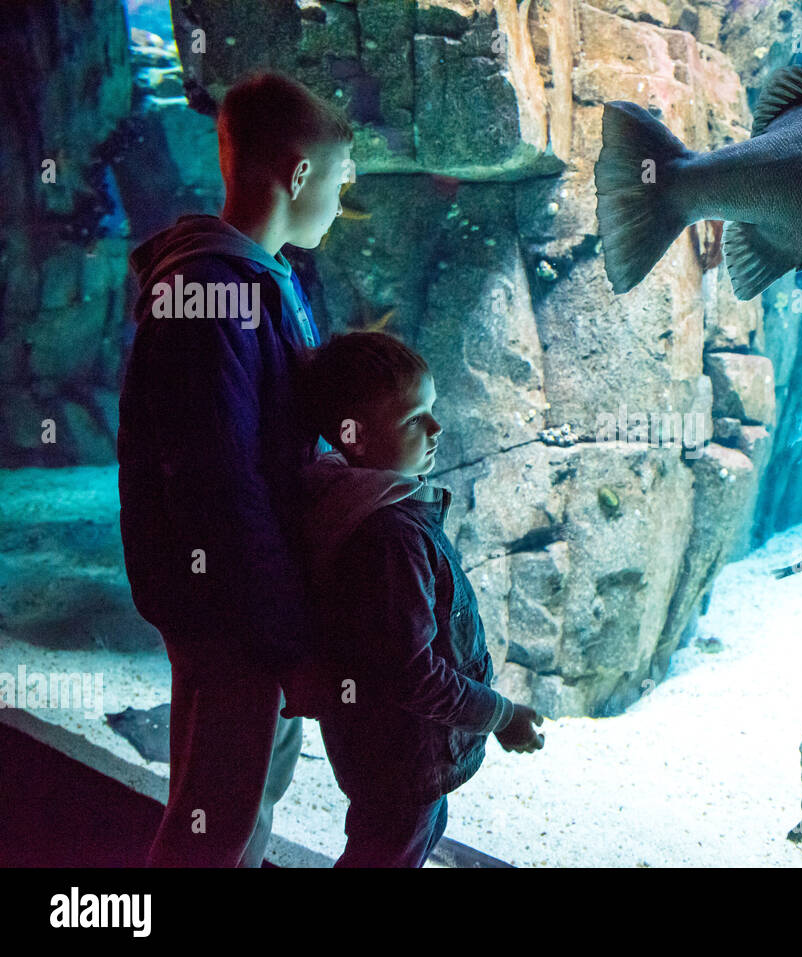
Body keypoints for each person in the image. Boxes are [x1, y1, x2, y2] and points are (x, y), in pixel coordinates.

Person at [117, 71, 352, 866]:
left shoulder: (258, 278)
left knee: (246, 805)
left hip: (255, 605)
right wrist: (285, 638)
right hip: (234, 614)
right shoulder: (210, 292)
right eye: (341, 181)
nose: (342, 202)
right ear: (298, 175)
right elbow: (219, 488)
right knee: (212, 824)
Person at [293, 331, 544, 867]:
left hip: (394, 756)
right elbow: (410, 673)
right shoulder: (389, 534)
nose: (436, 427)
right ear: (352, 435)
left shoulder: (353, 501)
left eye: (431, 410)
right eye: (414, 419)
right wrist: (500, 715)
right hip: (404, 758)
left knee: (406, 841)